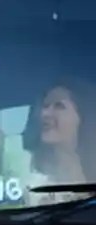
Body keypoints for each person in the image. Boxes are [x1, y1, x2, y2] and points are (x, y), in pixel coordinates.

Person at [21, 77, 96, 206]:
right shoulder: (31, 184)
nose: (45, 113)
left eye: (59, 106)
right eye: (45, 106)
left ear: (83, 118)